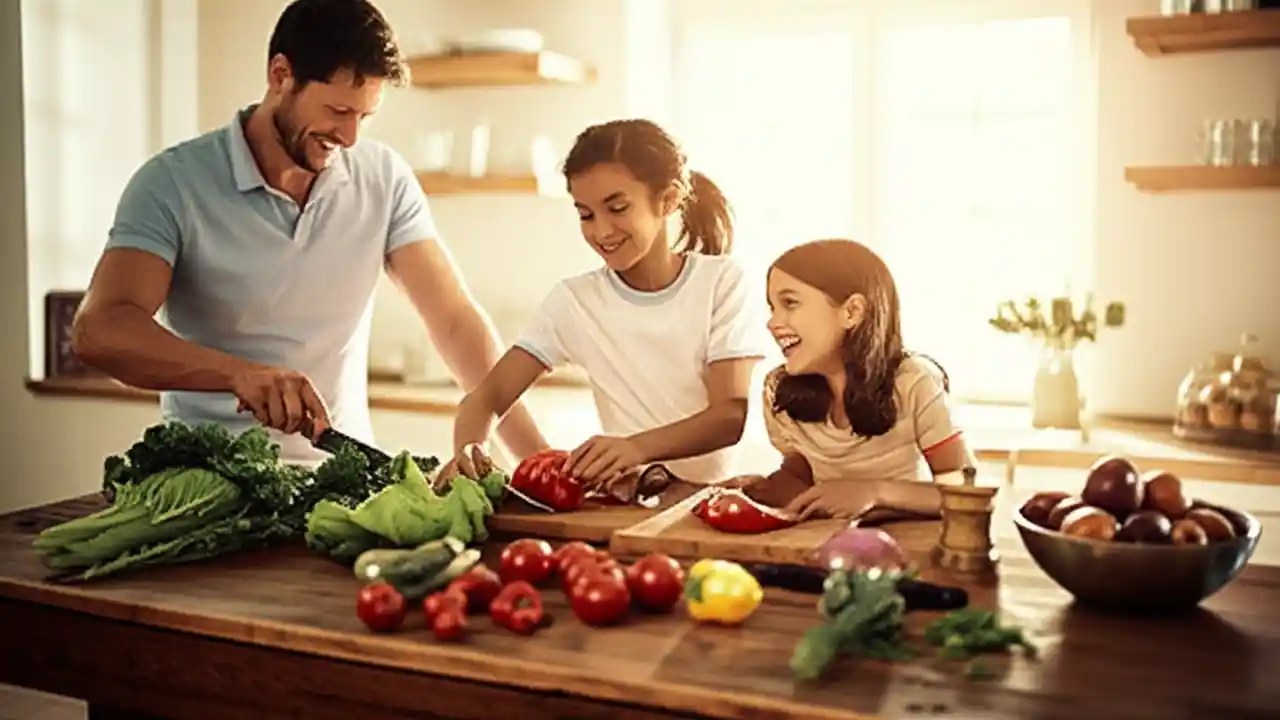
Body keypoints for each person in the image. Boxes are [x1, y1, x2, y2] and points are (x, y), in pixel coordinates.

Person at [71, 0, 545, 463]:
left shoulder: (382, 178)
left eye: (364, 116)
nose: (350, 136)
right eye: (338, 110)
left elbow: (454, 320)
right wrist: (238, 374)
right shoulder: (172, 183)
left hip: (340, 478)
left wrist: (537, 459)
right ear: (281, 76)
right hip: (206, 479)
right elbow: (101, 330)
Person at [445, 119, 768, 487]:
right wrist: (469, 446)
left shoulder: (722, 282)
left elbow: (728, 416)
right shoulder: (575, 302)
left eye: (618, 208)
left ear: (668, 200)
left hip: (705, 502)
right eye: (586, 214)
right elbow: (487, 397)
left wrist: (635, 448)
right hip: (624, 502)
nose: (601, 231)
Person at [748, 238, 975, 520]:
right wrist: (757, 489)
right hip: (825, 544)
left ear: (852, 312)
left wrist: (874, 491)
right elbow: (800, 472)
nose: (772, 322)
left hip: (905, 546)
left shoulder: (914, 382)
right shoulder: (778, 391)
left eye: (790, 303)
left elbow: (967, 491)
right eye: (772, 307)